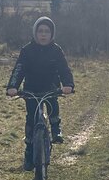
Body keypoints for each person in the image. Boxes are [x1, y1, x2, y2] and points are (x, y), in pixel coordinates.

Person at [6, 16, 75, 169]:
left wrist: (68, 84)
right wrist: (12, 86)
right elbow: (19, 69)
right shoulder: (27, 50)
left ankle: (56, 129)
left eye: (47, 31)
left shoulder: (56, 50)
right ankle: (29, 152)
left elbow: (64, 69)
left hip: (51, 88)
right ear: (35, 33)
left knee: (53, 107)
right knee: (31, 119)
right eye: (40, 31)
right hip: (31, 89)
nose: (43, 34)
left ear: (52, 34)